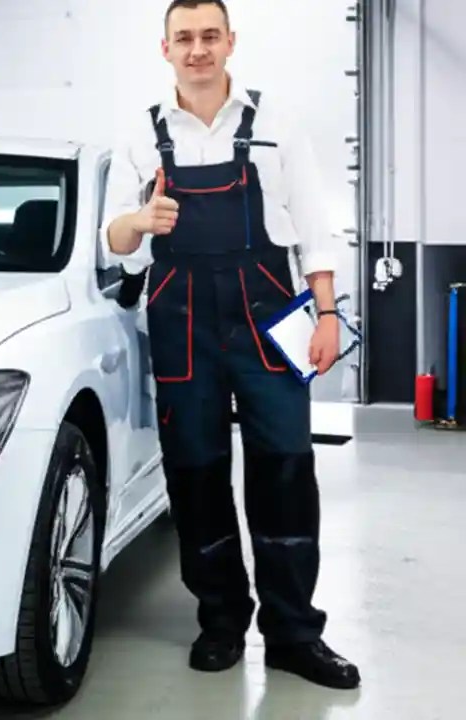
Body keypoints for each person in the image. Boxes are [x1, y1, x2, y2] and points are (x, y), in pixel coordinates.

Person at [100, 0, 360, 690]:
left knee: (284, 471)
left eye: (209, 35)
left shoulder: (274, 124)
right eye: (183, 38)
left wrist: (328, 314)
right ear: (165, 50)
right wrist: (137, 219)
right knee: (196, 474)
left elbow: (312, 226)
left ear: (229, 42)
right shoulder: (139, 134)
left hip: (268, 313)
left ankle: (294, 634)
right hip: (182, 318)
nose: (197, 49)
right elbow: (114, 241)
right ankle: (220, 621)